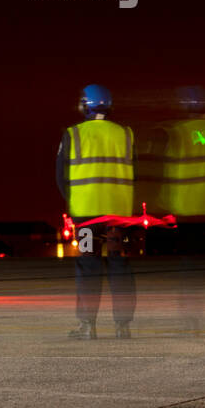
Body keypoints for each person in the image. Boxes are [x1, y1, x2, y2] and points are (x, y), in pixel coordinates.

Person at [56, 84, 137, 339]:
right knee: (120, 265)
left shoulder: (73, 134)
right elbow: (135, 171)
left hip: (87, 214)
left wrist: (72, 203)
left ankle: (88, 327)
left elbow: (61, 176)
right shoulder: (126, 134)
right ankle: (122, 327)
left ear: (85, 105)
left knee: (89, 267)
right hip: (118, 215)